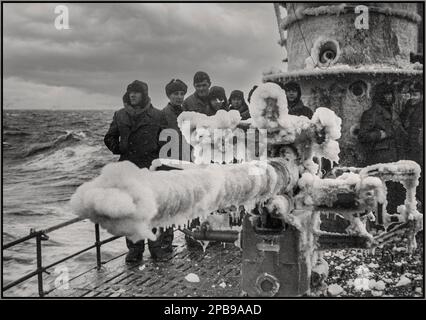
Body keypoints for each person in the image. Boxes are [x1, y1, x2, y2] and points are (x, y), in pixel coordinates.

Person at [104, 80, 172, 264]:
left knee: (154, 210)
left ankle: (156, 248)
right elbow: (109, 137)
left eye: (136, 92)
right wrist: (119, 148)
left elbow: (166, 143)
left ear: (144, 95)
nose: (132, 95)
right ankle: (135, 250)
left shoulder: (157, 116)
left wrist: (161, 164)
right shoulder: (120, 115)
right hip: (129, 168)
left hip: (151, 168)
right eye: (130, 92)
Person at [358, 82, 407, 215]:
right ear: (379, 96)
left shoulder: (393, 112)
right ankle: (379, 222)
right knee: (380, 192)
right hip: (380, 159)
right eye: (386, 94)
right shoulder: (372, 113)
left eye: (390, 94)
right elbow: (362, 136)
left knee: (394, 191)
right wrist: (380, 134)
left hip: (395, 157)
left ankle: (391, 219)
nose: (389, 97)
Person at [405, 81, 424, 209]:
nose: (412, 97)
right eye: (411, 94)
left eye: (415, 94)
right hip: (411, 151)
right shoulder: (409, 108)